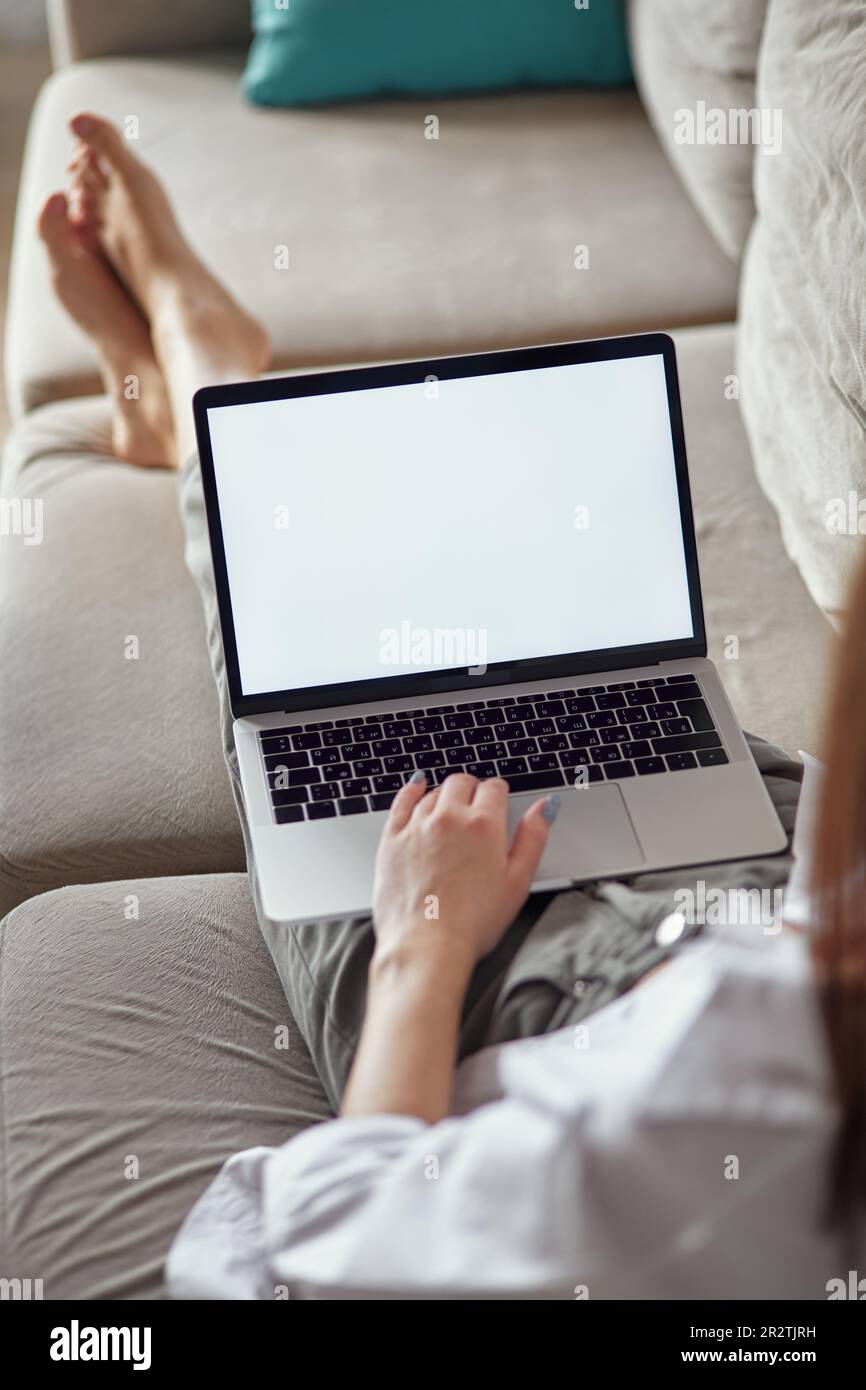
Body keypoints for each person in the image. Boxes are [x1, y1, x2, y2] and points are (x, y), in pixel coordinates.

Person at [38, 116, 863, 1299]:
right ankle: (200, 393)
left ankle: (200, 374)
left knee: (320, 669)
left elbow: (323, 1255)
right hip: (800, 893)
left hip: (571, 995)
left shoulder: (718, 1162)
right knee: (569, 654)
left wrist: (424, 942)